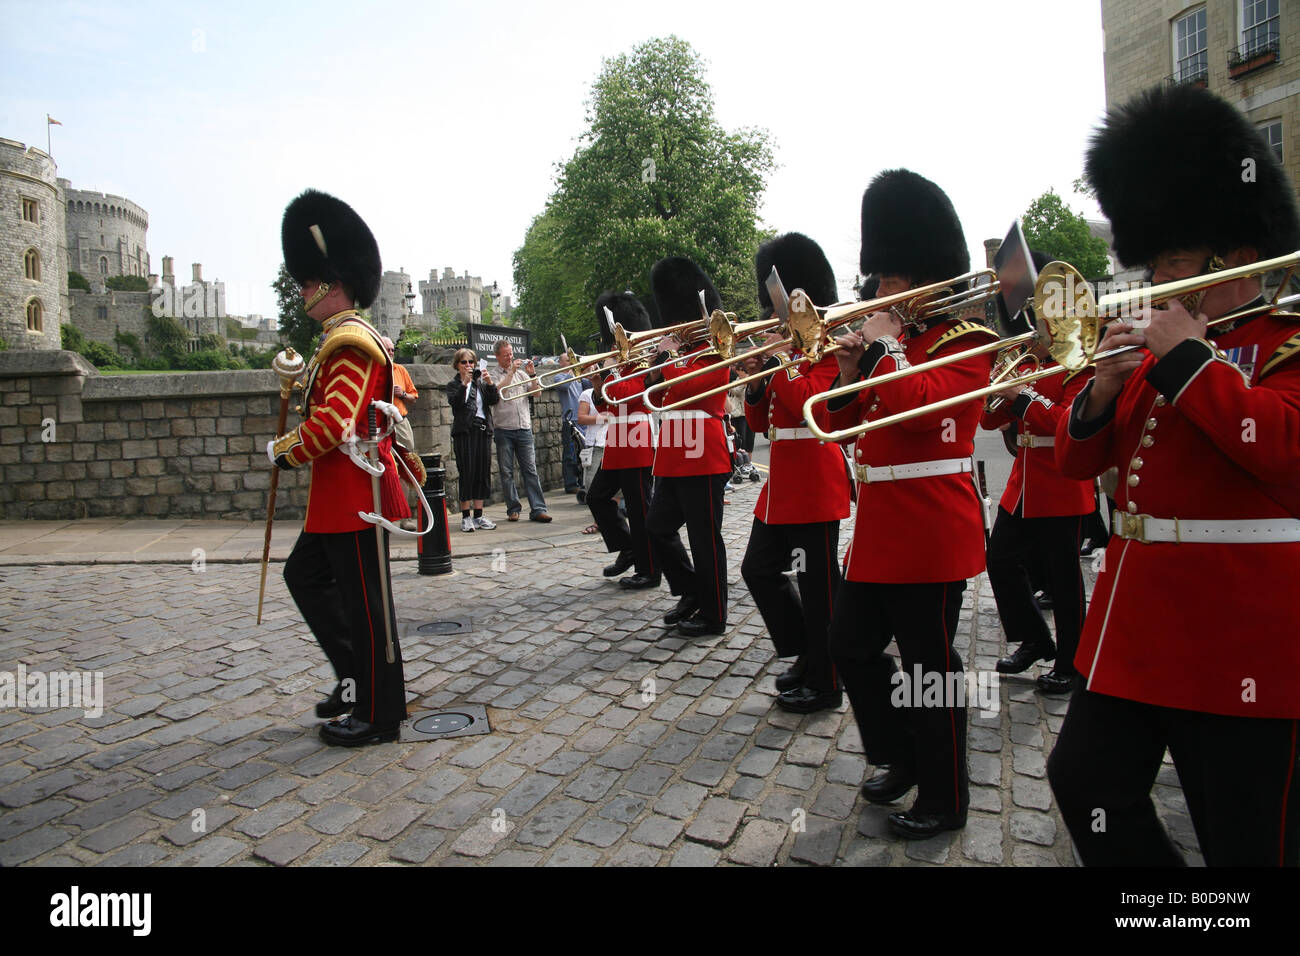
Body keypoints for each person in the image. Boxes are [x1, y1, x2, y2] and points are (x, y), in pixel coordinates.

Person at [1048, 83, 1300, 866]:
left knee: (1247, 839)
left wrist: (1190, 357)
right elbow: (1074, 461)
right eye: (1151, 259)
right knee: (1085, 783)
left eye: (1174, 259)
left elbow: (1284, 449)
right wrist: (1102, 388)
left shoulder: (1286, 343)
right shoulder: (1158, 357)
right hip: (1135, 627)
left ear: (1238, 258)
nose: (1154, 276)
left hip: (1241, 635)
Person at [825, 170, 998, 838]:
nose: (879, 292)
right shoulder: (885, 348)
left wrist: (883, 350)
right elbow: (839, 421)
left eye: (893, 282)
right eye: (881, 281)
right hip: (879, 529)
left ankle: (946, 796)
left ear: (926, 280)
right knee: (851, 646)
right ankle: (897, 753)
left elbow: (921, 413)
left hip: (931, 526)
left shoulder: (968, 344)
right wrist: (847, 368)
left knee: (933, 669)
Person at [273, 188, 408, 747]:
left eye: (308, 281)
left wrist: (283, 450)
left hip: (356, 495)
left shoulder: (351, 344)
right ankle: (356, 679)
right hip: (337, 498)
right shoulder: (336, 340)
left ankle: (378, 713)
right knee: (305, 576)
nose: (302, 289)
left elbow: (333, 424)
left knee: (366, 608)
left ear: (332, 283)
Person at [739, 232, 852, 714]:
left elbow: (815, 408)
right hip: (782, 485)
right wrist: (756, 377)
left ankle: (827, 682)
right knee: (758, 570)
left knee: (819, 589)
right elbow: (755, 422)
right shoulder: (788, 349)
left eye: (776, 309)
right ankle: (808, 651)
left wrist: (780, 362)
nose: (769, 319)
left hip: (814, 486)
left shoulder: (831, 348)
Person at [980, 251, 1096, 695]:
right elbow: (990, 422)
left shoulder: (1079, 366)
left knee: (1064, 580)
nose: (1035, 329)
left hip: (1061, 483)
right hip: (1023, 484)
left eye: (1042, 320)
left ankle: (1072, 662)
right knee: (1000, 560)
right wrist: (997, 391)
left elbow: (1070, 422)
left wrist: (1022, 395)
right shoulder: (1026, 362)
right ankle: (1034, 638)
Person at [644, 257, 733, 637]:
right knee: (656, 529)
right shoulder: (681, 352)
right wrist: (657, 365)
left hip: (703, 452)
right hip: (674, 450)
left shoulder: (717, 347)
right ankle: (691, 590)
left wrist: (667, 360)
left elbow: (695, 391)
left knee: (704, 539)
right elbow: (661, 397)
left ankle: (714, 614)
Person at [588, 291, 660, 588]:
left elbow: (627, 394)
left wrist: (606, 379)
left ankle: (650, 570)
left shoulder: (643, 362)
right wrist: (597, 385)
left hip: (637, 440)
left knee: (639, 509)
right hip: (618, 441)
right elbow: (607, 404)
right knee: (597, 497)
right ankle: (629, 547)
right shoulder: (622, 364)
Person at [490, 340, 552, 523]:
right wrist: (511, 373)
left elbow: (537, 393)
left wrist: (532, 374)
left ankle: (538, 509)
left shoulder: (522, 374)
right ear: (497, 356)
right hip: (504, 428)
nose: (510, 357)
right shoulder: (493, 375)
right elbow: (496, 392)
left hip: (523, 427)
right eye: (506, 355)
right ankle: (513, 509)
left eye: (511, 353)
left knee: (530, 470)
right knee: (507, 472)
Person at [445, 347, 499, 532]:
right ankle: (466, 517)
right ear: (457, 365)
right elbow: (457, 403)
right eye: (464, 362)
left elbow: (494, 400)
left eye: (471, 362)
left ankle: (479, 515)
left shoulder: (480, 383)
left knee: (482, 473)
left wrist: (490, 382)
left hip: (483, 431)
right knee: (467, 473)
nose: (468, 365)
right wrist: (464, 383)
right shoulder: (454, 385)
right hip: (465, 432)